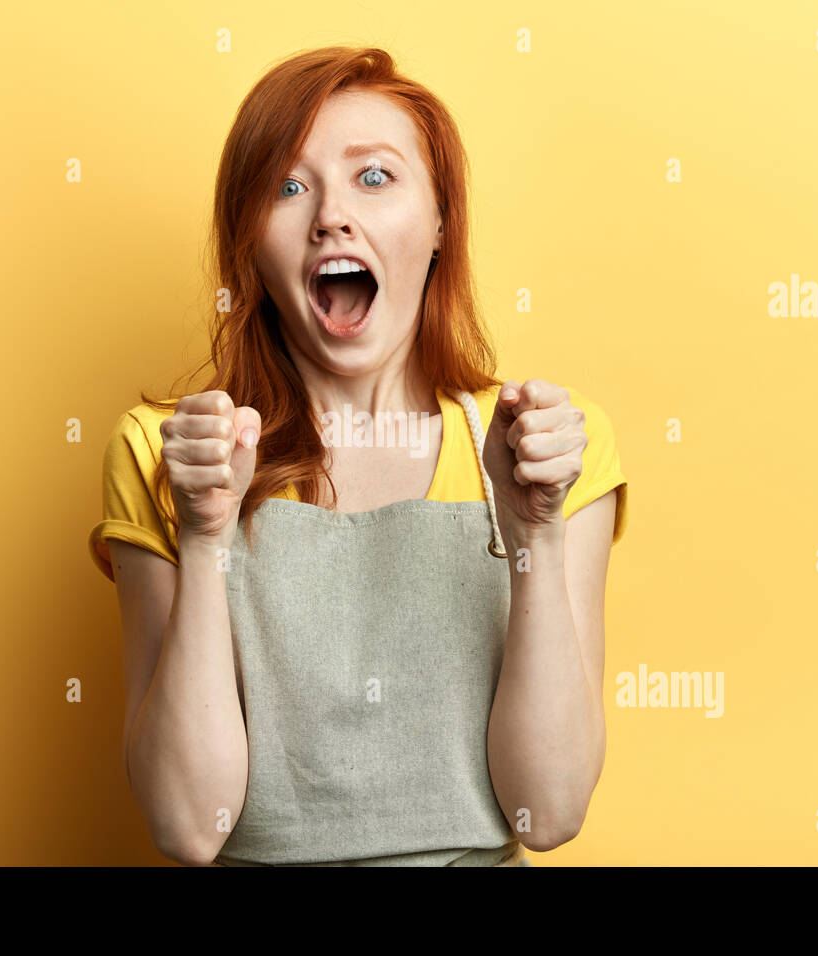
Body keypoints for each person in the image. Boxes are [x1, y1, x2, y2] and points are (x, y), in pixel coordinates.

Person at [87, 46, 628, 866]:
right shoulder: (169, 452)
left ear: (442, 222)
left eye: (373, 178)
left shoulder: (546, 446)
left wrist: (535, 538)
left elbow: (546, 811)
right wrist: (204, 541)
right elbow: (189, 827)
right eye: (288, 186)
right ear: (252, 248)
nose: (331, 216)